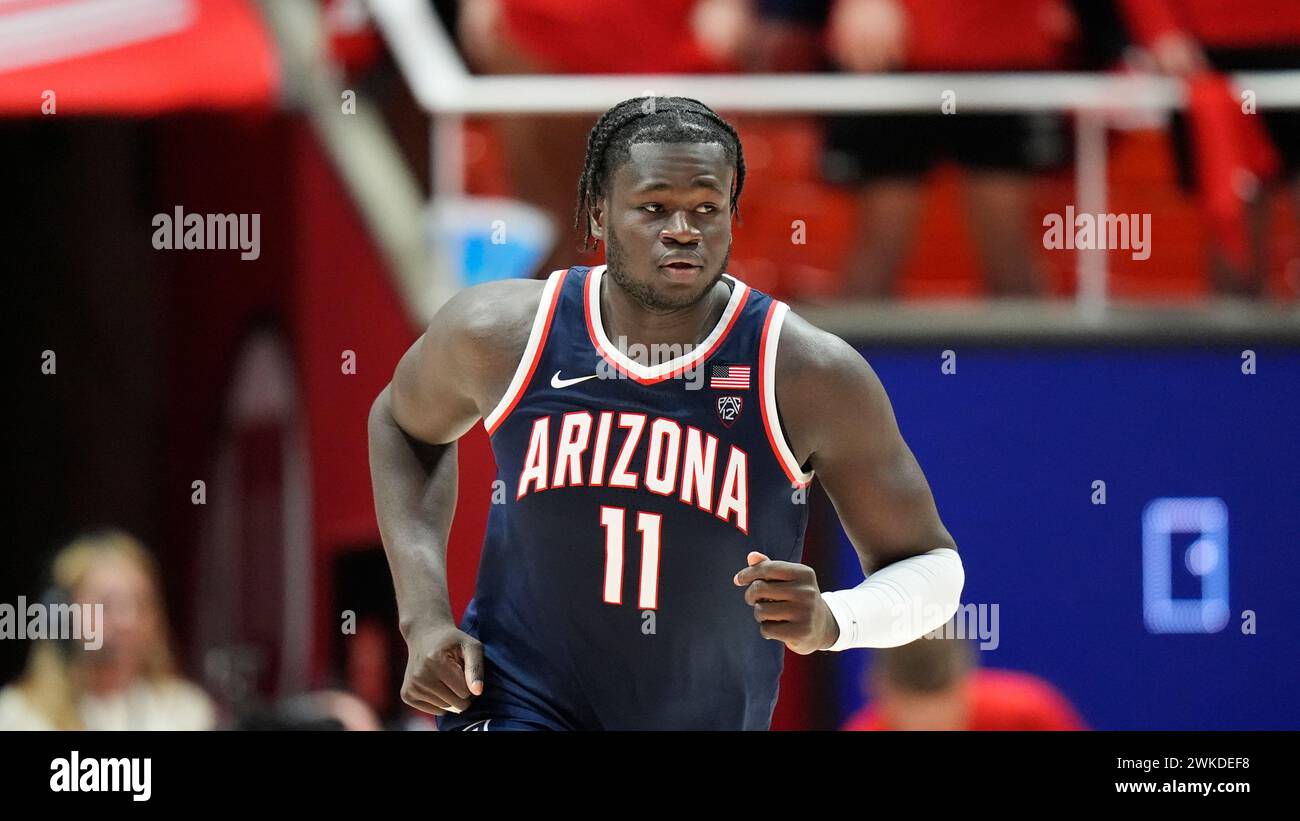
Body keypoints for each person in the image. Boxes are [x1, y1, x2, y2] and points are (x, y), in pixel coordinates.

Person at [368, 96, 966, 730]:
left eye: (706, 209)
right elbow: (402, 426)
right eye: (654, 207)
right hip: (521, 702)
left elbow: (933, 569)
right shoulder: (501, 332)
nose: (683, 228)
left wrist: (833, 622)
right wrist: (424, 617)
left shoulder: (805, 370)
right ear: (599, 212)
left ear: (733, 217)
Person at [0, 529, 215, 731]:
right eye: (106, 605)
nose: (127, 621)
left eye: (141, 604)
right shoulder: (17, 715)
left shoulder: (187, 712)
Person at [842, 637, 1088, 731]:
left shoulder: (1029, 715)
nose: (929, 726)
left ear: (966, 683)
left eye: (939, 723)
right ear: (878, 689)